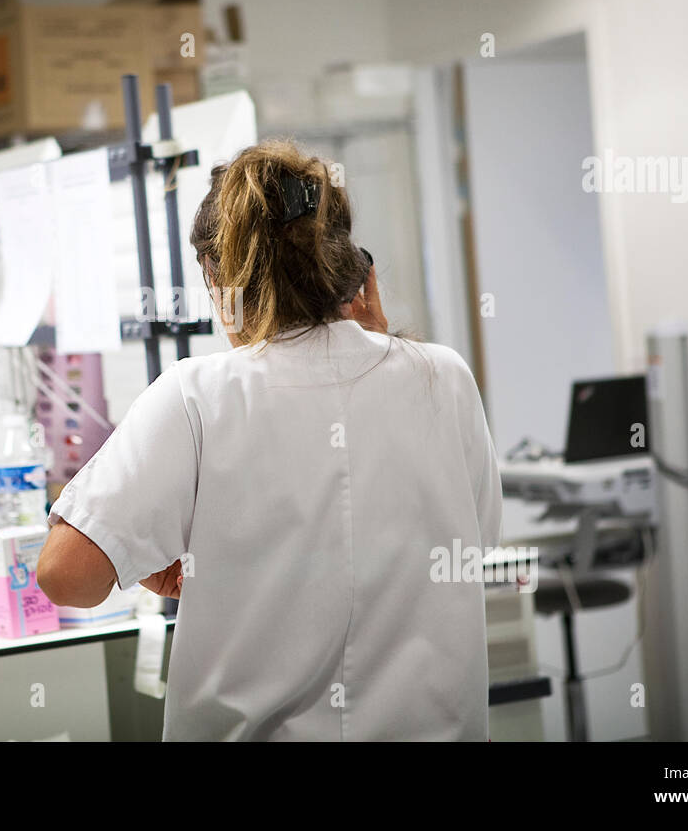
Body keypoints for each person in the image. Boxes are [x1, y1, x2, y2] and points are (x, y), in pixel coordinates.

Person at [38, 139, 502, 740]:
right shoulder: (445, 376)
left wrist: (140, 559)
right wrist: (389, 351)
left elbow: (64, 576)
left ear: (219, 277)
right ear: (351, 266)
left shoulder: (196, 396)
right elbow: (476, 540)